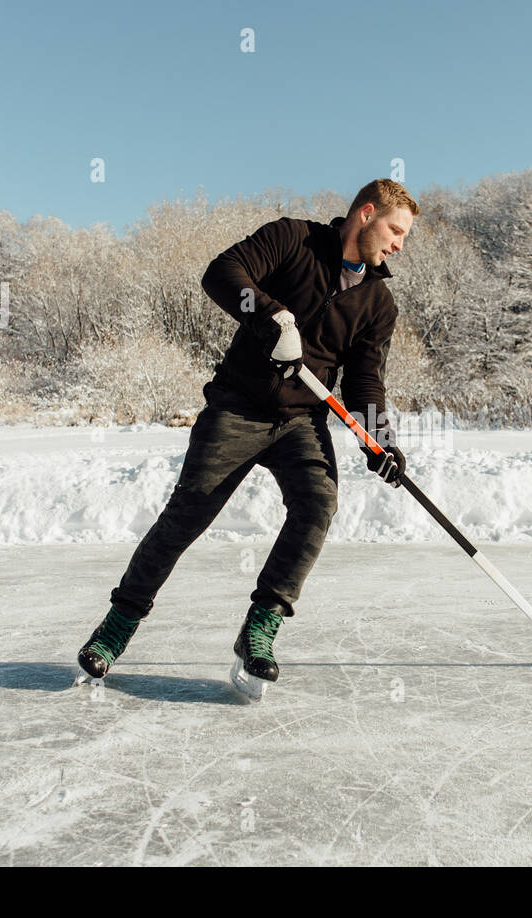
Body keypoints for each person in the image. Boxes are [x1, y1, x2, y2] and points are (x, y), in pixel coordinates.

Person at [77, 179, 419, 699]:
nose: (398, 245)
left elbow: (365, 379)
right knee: (188, 513)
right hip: (237, 406)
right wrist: (269, 316)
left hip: (303, 420)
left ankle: (261, 626)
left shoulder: (377, 303)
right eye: (395, 231)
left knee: (318, 503)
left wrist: (380, 438)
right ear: (366, 214)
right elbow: (221, 273)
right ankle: (119, 624)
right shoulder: (293, 240)